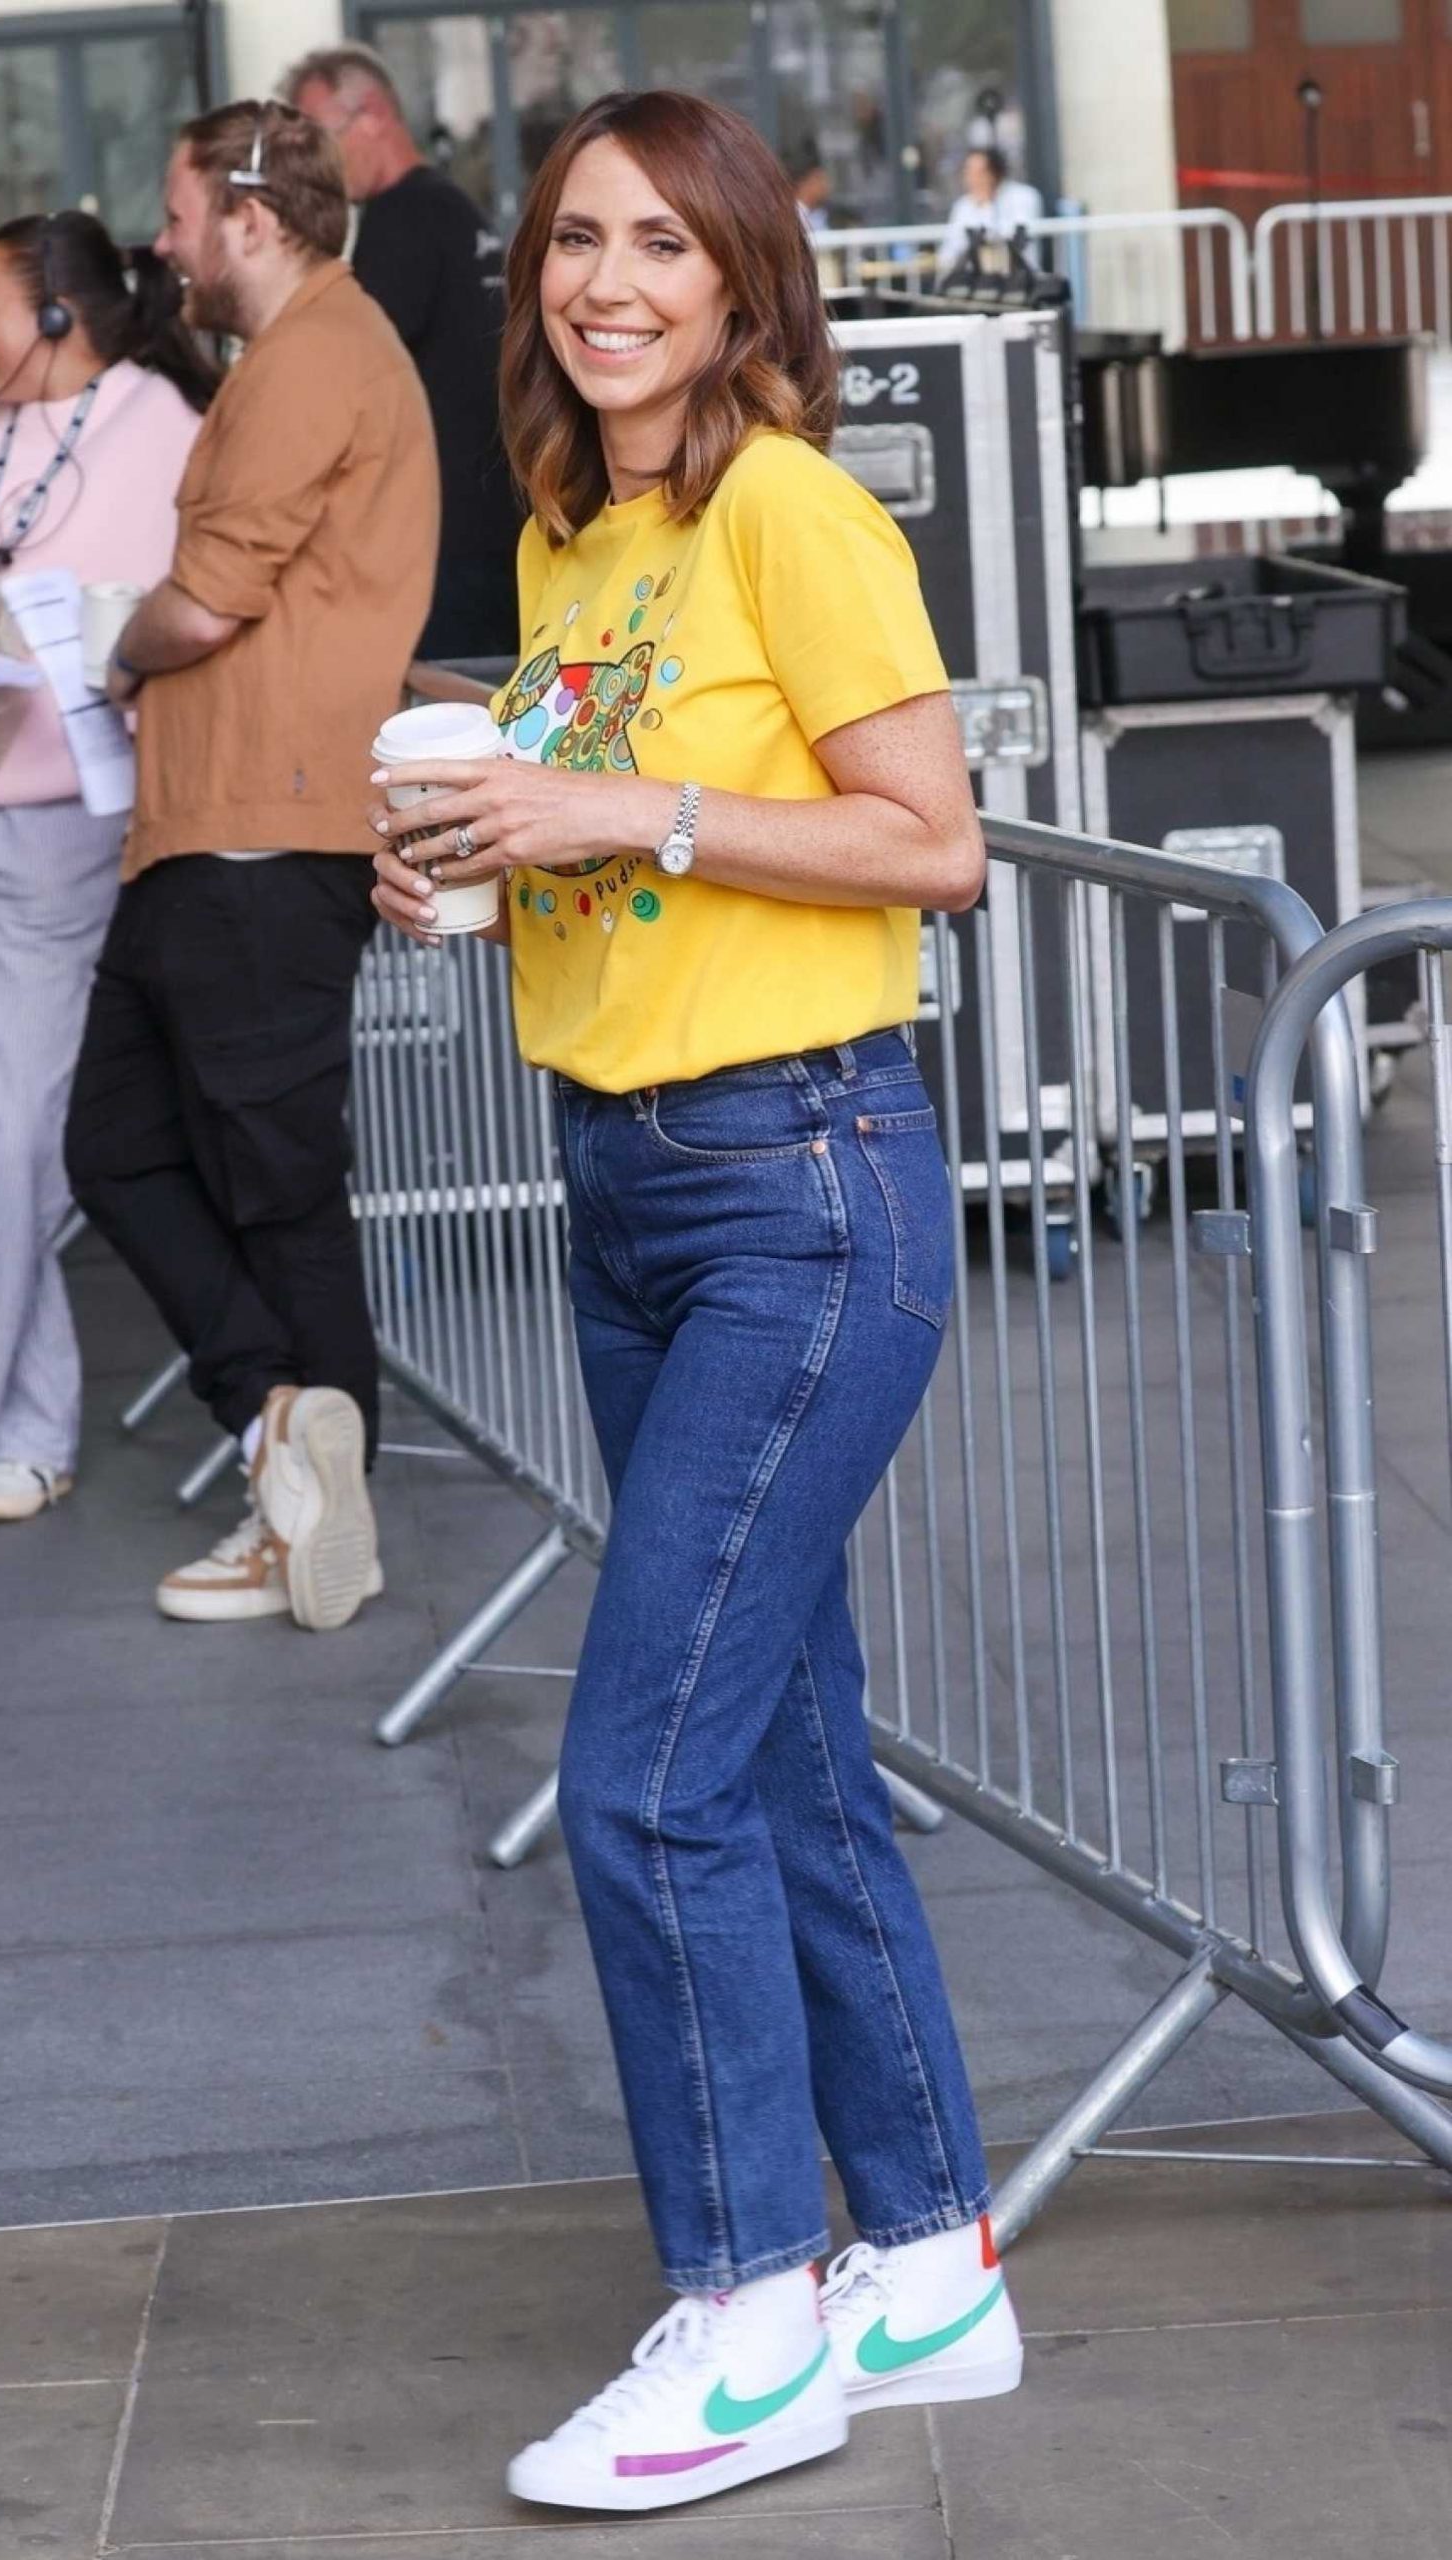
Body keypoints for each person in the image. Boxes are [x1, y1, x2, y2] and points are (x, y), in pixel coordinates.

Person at [370, 88, 1021, 2516]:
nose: (603, 280)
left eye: (657, 242)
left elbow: (925, 842)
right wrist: (469, 865)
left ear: (745, 282)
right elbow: (603, 856)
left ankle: (754, 2309)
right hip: (628, 1182)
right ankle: (929, 2246)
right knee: (772, 1744)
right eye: (569, 241)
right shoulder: (579, 538)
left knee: (644, 1768)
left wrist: (613, 815)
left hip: (796, 1187)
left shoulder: (790, 506)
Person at [63, 100, 438, 1630]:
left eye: (177, 216)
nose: (162, 245)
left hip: (263, 837)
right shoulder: (290, 365)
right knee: (120, 1147)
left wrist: (115, 642)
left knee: (277, 1190)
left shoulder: (316, 362)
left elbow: (208, 603)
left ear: (252, 219)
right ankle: (288, 1431)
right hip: (213, 833)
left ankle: (302, 1497)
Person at [0, 211, 214, 1527]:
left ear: (56, 316)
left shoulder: (160, 428)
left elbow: (194, 609)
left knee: (8, 1144)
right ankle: (29, 1425)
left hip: (57, 829)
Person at [285, 41, 520, 663]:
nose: (313, 164)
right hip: (499, 525)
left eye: (316, 138)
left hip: (448, 542)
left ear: (372, 113)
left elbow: (343, 376)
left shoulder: (404, 217)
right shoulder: (452, 208)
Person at [936, 144, 1044, 281]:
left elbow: (1015, 236)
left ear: (996, 173)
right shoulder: (962, 206)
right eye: (969, 173)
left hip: (1018, 281)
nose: (974, 180)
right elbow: (949, 250)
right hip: (974, 283)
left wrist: (987, 205)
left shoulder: (1023, 196)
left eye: (981, 173)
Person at [785, 140, 833, 236]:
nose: (826, 185)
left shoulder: (819, 216)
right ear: (809, 181)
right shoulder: (790, 220)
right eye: (820, 179)